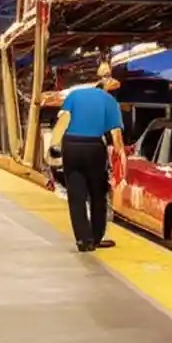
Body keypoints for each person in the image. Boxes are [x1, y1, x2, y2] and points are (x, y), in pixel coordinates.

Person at [49, 64, 125, 252]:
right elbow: (116, 137)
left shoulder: (75, 96)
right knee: (98, 194)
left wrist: (53, 146)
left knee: (76, 196)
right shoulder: (110, 102)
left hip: (71, 145)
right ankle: (96, 237)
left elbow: (63, 121)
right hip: (93, 148)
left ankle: (83, 240)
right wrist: (121, 161)